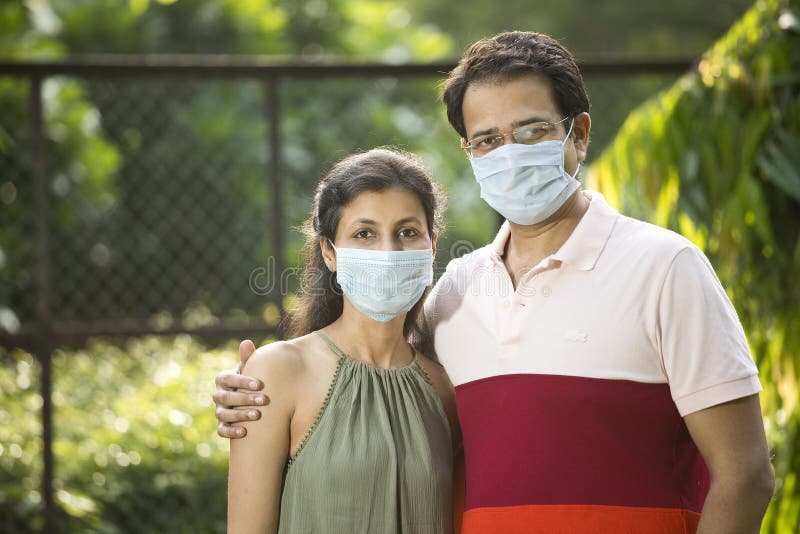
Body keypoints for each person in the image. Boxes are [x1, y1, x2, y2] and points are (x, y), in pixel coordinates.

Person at [216, 32, 774, 533]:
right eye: (487, 140)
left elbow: (746, 474)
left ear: (577, 134)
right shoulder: (456, 290)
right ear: (469, 153)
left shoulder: (666, 267)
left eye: (531, 131)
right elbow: (370, 370)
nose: (509, 154)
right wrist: (246, 393)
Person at [226, 147, 460, 533]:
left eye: (407, 232)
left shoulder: (444, 387)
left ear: (432, 246)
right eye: (364, 233)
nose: (388, 251)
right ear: (329, 253)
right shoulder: (279, 371)